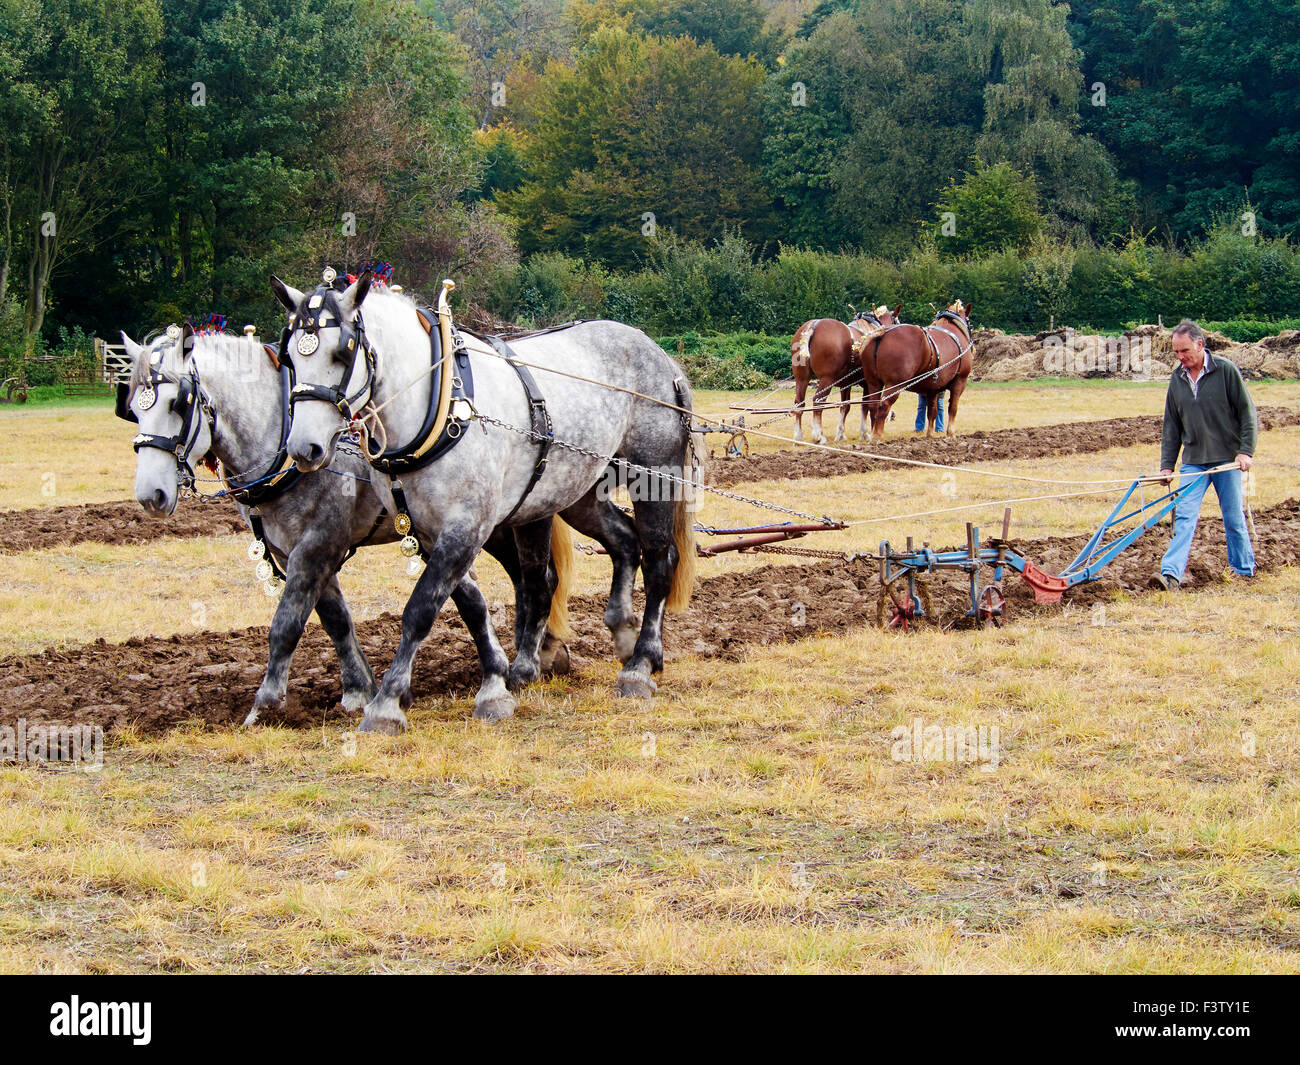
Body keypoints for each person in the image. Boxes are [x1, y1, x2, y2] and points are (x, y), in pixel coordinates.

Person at [1150, 319, 1256, 590]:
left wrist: (1245, 452)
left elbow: (1247, 413)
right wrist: (1166, 465)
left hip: (1226, 460)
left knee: (1232, 517)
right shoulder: (1177, 378)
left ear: (1200, 344)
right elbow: (1171, 425)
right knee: (1184, 517)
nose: (1180, 357)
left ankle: (1243, 571)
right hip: (1194, 462)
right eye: (1176, 352)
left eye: (1184, 351)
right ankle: (1171, 575)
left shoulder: (1226, 371)